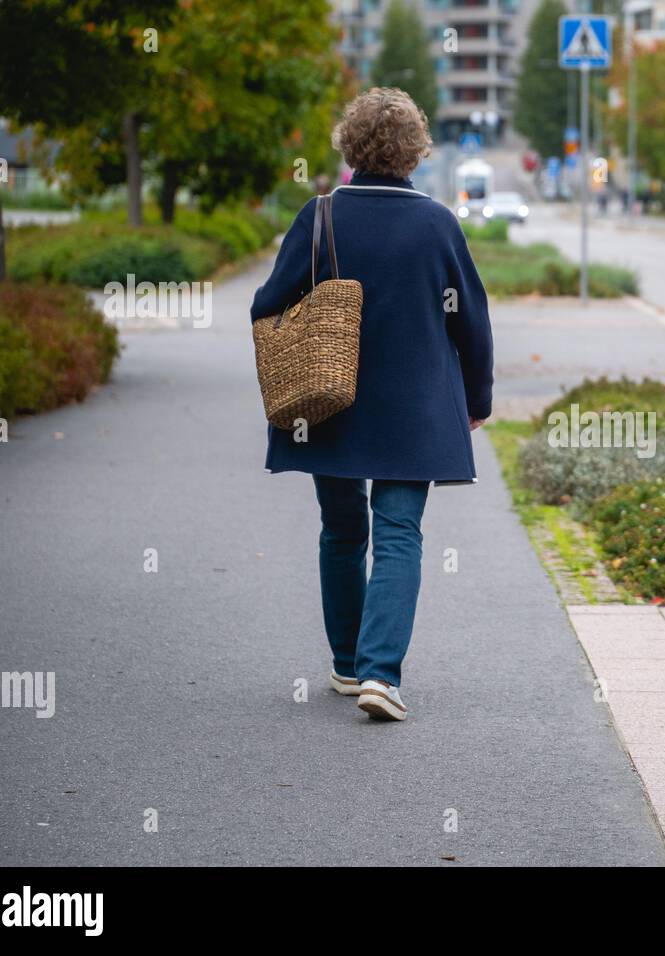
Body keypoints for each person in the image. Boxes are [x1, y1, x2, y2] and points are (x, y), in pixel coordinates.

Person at [250, 88, 494, 722]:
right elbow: (472, 319)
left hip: (331, 400)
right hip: (415, 407)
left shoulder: (321, 216)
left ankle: (347, 664)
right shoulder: (438, 222)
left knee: (341, 529)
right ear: (415, 150)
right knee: (398, 533)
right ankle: (380, 676)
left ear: (349, 147)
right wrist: (477, 397)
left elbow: (266, 305)